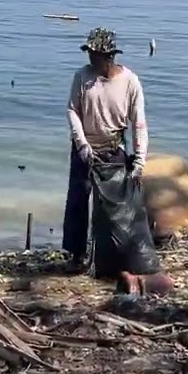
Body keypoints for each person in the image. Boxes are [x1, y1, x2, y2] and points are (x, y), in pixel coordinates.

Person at [62, 27, 148, 271]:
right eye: (89, 53)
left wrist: (139, 160)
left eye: (95, 54)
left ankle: (110, 257)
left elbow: (138, 122)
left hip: (113, 150)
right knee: (78, 200)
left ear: (109, 56)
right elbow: (72, 111)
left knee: (114, 207)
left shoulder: (129, 81)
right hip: (85, 149)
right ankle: (76, 255)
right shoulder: (82, 77)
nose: (90, 57)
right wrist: (82, 144)